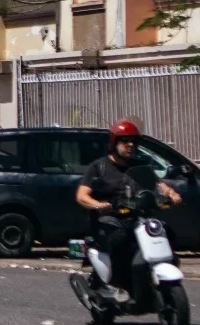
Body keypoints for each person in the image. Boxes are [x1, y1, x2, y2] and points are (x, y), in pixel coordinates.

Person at [74, 120, 184, 299]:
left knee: (167, 233)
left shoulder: (139, 167)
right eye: (125, 140)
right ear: (114, 142)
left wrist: (171, 194)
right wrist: (99, 205)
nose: (131, 145)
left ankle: (152, 281)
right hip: (108, 219)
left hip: (137, 218)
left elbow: (158, 184)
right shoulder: (99, 167)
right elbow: (81, 196)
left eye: (134, 141)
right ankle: (116, 285)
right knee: (121, 239)